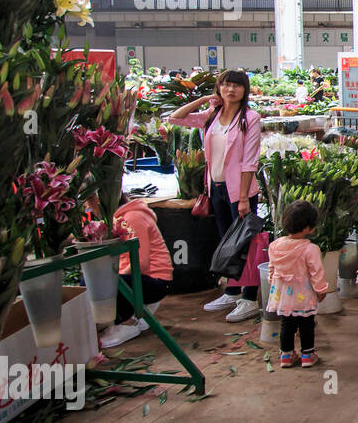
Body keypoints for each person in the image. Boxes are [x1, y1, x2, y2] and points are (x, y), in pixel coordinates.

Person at [167, 69, 263, 322]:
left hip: (239, 192)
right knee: (226, 241)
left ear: (245, 90)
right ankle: (231, 290)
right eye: (226, 85)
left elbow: (249, 161)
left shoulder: (250, 118)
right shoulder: (212, 115)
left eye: (237, 86)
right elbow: (174, 119)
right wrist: (202, 101)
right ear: (219, 89)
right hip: (216, 188)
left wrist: (243, 197)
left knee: (246, 245)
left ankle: (250, 297)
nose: (231, 90)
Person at [99, 195, 174, 348]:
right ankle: (131, 313)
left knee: (103, 283)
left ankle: (127, 323)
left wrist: (114, 279)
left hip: (154, 280)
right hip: (143, 276)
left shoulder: (133, 217)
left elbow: (140, 262)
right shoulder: (119, 218)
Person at [266, 199, 329, 368]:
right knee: (307, 323)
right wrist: (321, 290)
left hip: (283, 295)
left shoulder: (275, 245)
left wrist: (273, 282)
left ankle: (286, 356)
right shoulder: (310, 249)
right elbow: (317, 272)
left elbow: (272, 269)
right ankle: (307, 356)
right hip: (304, 294)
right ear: (308, 228)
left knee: (287, 324)